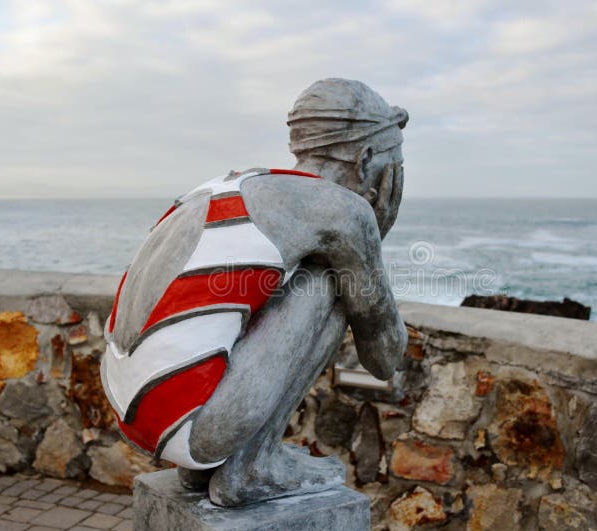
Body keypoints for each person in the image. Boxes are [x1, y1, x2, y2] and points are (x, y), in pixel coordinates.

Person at [101, 78, 408, 506]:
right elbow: (384, 358)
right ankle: (252, 466)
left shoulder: (226, 186)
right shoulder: (341, 210)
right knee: (333, 281)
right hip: (188, 421)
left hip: (132, 410)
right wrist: (375, 232)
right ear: (367, 158)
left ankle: (202, 468)